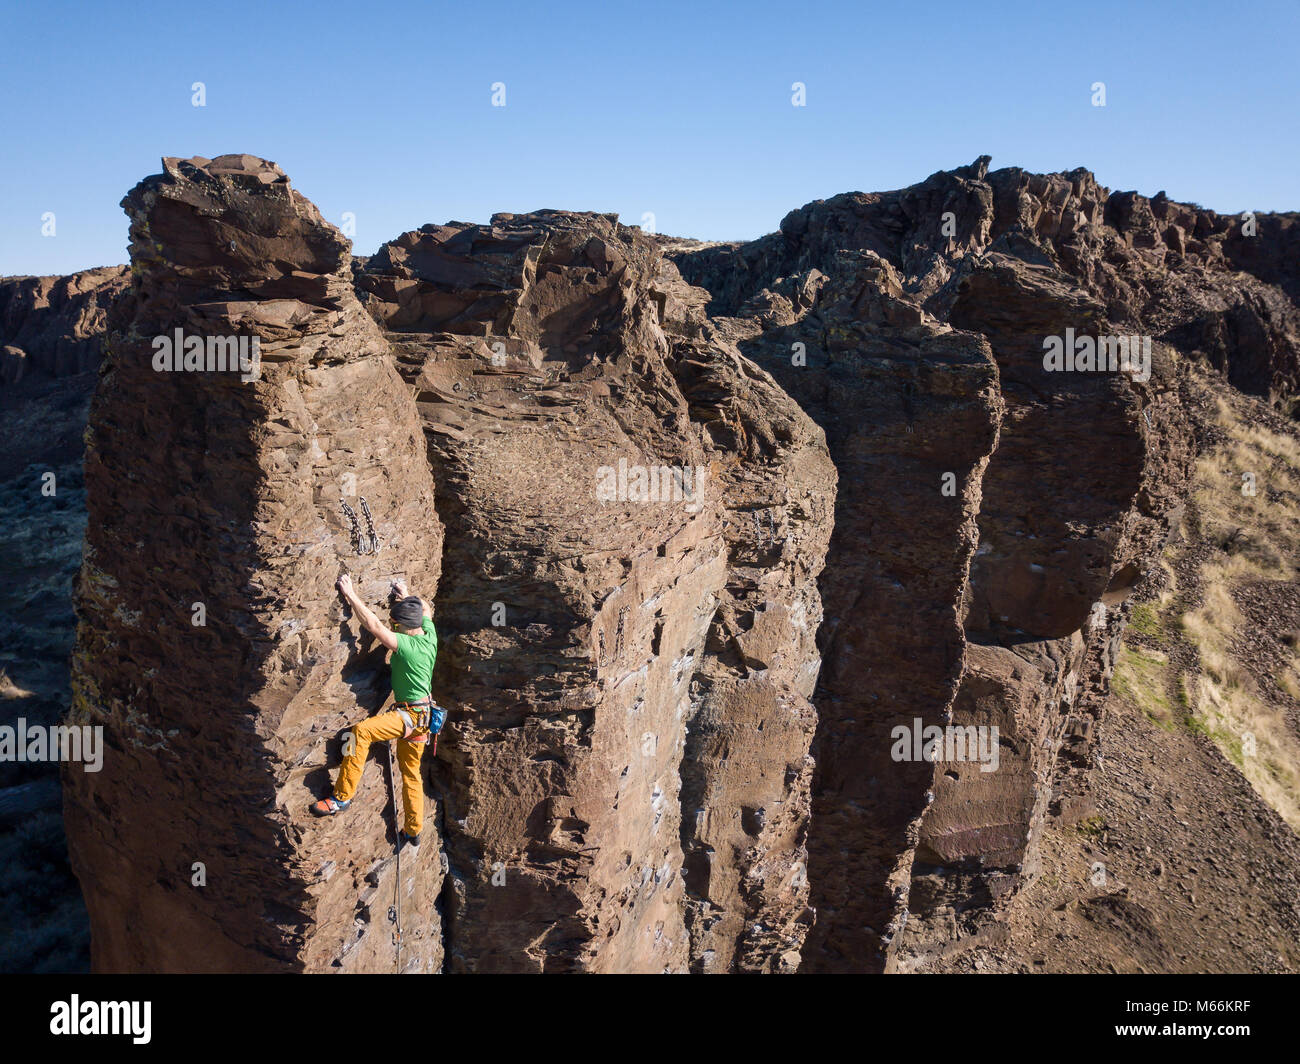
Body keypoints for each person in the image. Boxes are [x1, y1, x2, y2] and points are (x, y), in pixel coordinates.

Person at [311, 575, 443, 846]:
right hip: (424, 718)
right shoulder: (429, 635)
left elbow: (372, 625)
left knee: (361, 732)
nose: (391, 627)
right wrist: (405, 594)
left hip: (410, 716)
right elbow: (425, 610)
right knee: (411, 773)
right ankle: (414, 829)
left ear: (401, 626)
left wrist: (350, 594)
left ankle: (341, 797)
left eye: (395, 624)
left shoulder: (405, 647)